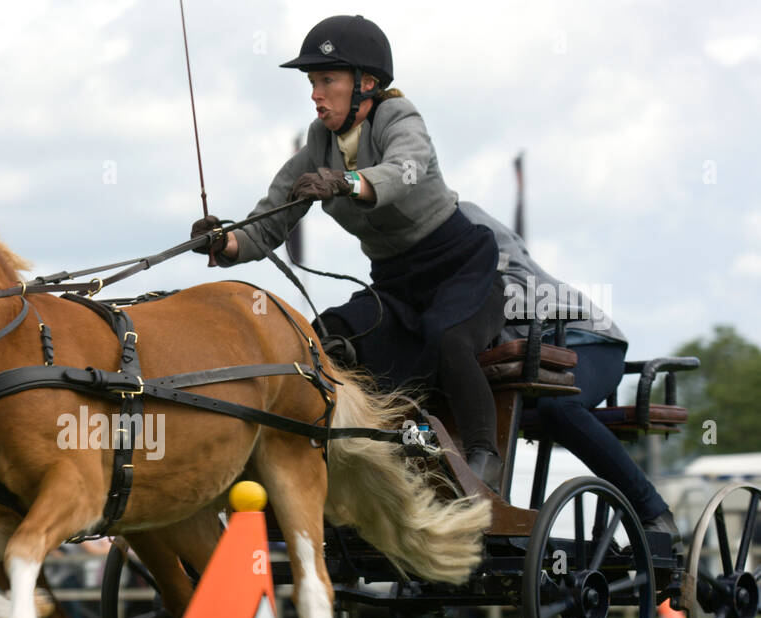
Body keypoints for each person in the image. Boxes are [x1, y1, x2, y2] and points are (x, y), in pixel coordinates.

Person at [192, 15, 508, 490]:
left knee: (445, 338)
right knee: (326, 337)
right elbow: (269, 219)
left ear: (367, 83)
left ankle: (483, 457)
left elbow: (405, 172)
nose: (315, 94)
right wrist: (224, 240)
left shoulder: (400, 119)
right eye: (312, 83)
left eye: (326, 80)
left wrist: (345, 182)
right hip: (396, 285)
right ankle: (357, 459)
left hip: (461, 270)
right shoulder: (319, 144)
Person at [459, 201, 678, 539]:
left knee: (558, 407)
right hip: (526, 357)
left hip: (586, 339)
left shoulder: (460, 215)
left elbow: (502, 266)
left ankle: (654, 513)